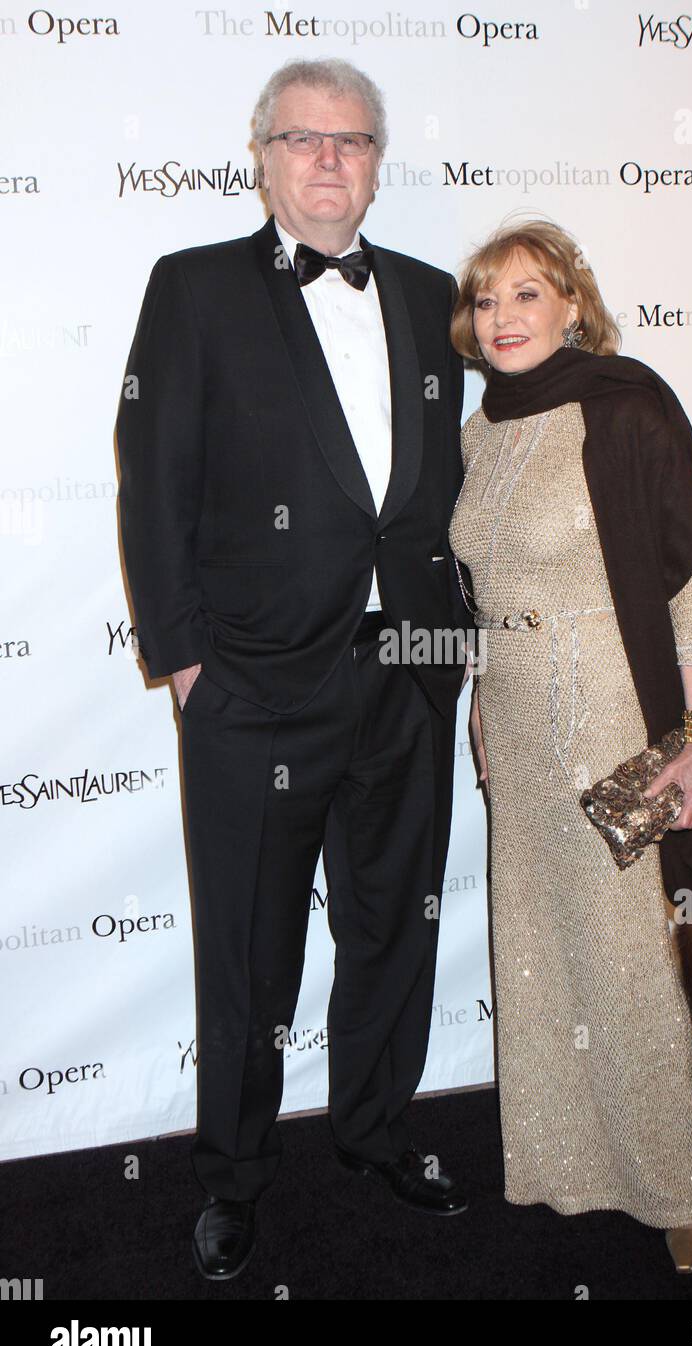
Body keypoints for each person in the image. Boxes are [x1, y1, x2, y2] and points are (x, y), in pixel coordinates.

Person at [117, 57, 470, 1282]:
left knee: (391, 930)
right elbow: (152, 480)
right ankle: (234, 1175)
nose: (329, 159)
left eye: (353, 140)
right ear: (260, 155)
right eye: (303, 139)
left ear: (379, 162)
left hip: (407, 675)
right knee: (249, 953)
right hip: (255, 687)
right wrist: (186, 665)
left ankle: (375, 1133)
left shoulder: (432, 299)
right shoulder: (198, 289)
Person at [448, 218, 692, 1275]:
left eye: (527, 294)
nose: (504, 317)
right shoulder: (482, 428)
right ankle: (567, 1162)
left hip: (611, 718)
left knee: (623, 963)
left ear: (573, 304)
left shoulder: (625, 407)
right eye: (485, 300)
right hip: (514, 721)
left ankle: (675, 1187)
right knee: (533, 951)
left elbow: (682, 580)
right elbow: (481, 590)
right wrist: (479, 701)